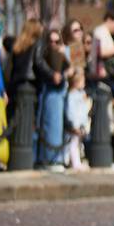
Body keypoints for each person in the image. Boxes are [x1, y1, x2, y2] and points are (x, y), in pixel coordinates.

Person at [36, 28, 70, 172]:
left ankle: (56, 158)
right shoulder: (43, 54)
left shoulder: (64, 52)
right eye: (51, 41)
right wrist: (52, 75)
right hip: (49, 91)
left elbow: (70, 69)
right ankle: (49, 159)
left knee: (58, 126)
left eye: (57, 41)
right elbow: (41, 68)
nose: (54, 44)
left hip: (61, 92)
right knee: (50, 125)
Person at [64, 67, 91, 171]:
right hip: (74, 125)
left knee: (77, 144)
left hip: (80, 125)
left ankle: (74, 162)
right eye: (82, 81)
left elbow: (83, 111)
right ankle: (74, 163)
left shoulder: (81, 94)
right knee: (72, 144)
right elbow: (70, 111)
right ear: (76, 82)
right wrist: (74, 125)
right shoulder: (71, 95)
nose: (84, 83)